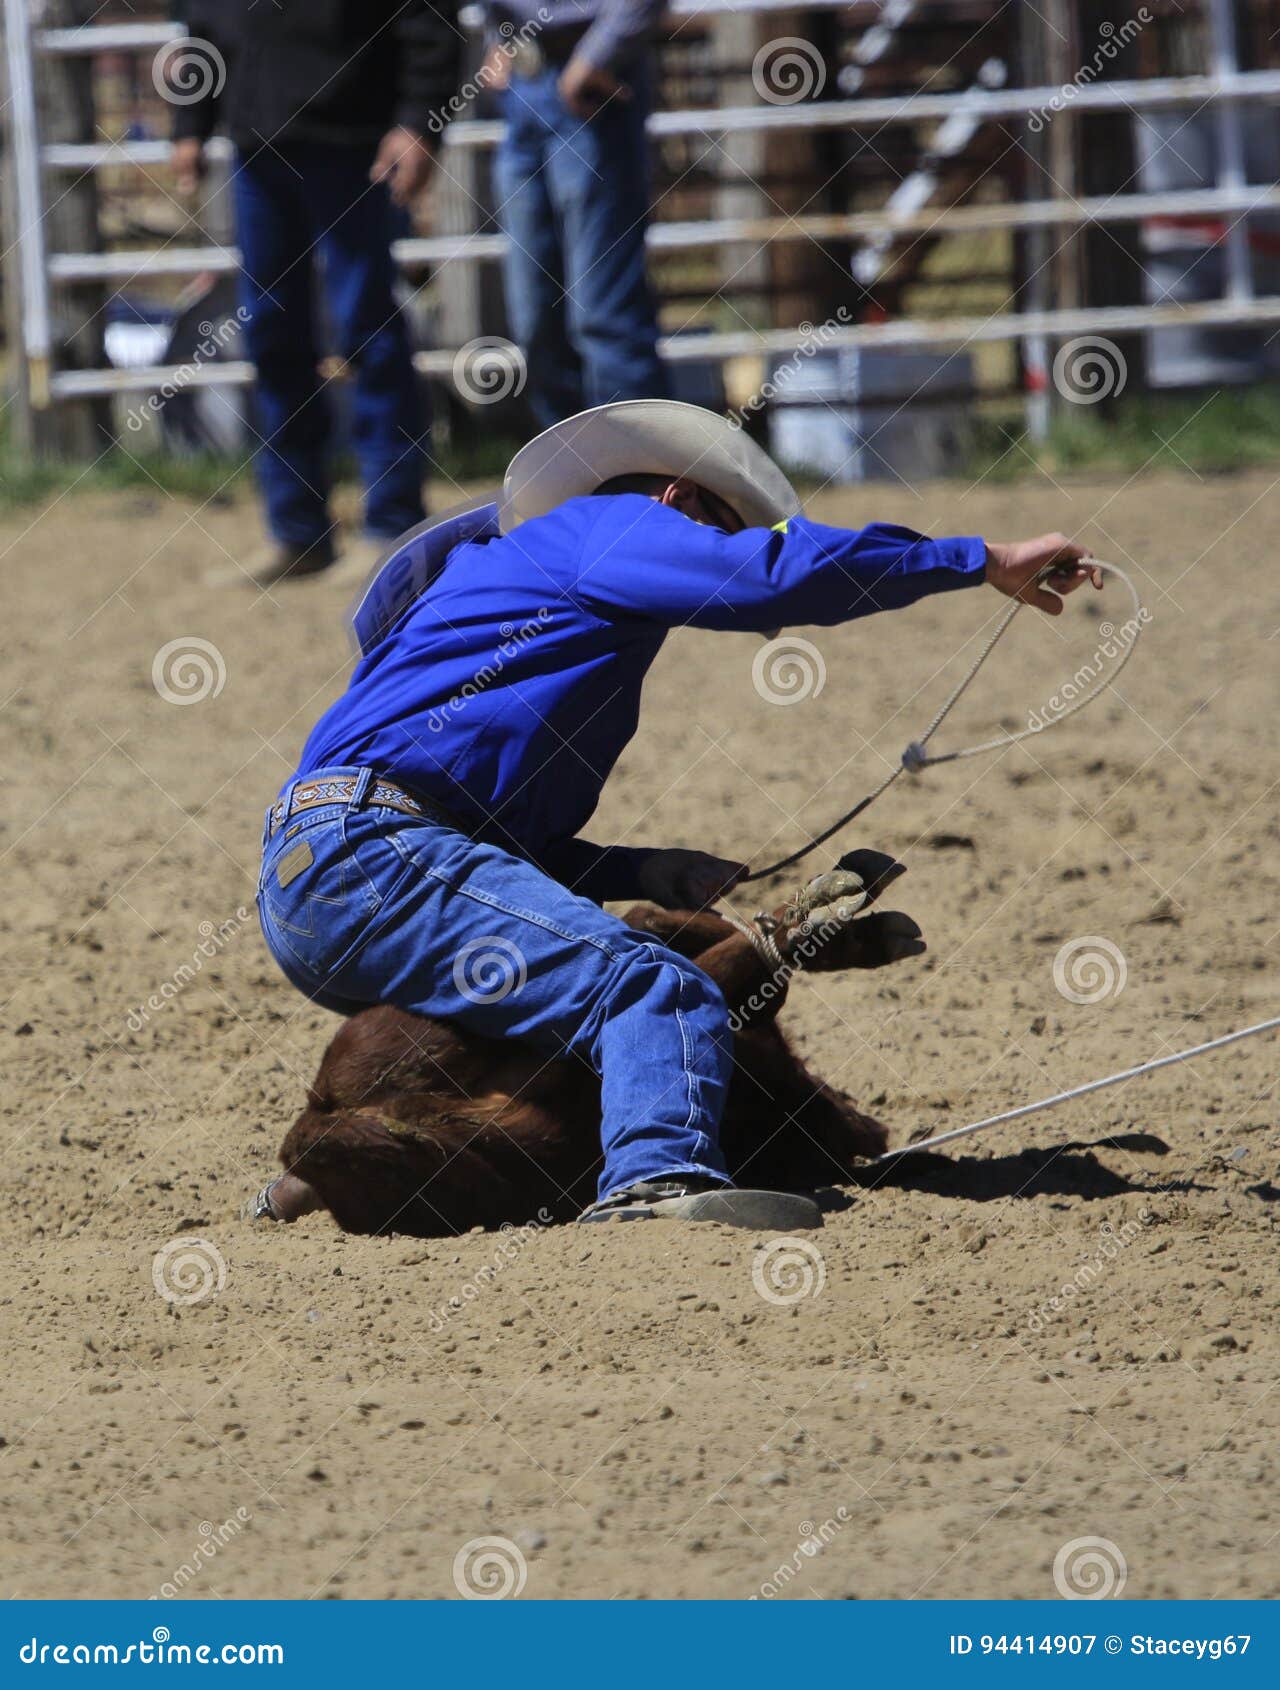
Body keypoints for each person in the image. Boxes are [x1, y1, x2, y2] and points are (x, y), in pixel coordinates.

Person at [252, 399, 1102, 1228]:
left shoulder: (518, 584)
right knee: (647, 987)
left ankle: (328, 1178)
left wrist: (642, 869)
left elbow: (499, 850)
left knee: (542, 1020)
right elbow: (777, 575)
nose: (712, 552)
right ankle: (656, 1179)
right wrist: (979, 558)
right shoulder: (609, 530)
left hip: (323, 879)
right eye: (718, 530)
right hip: (374, 854)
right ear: (678, 499)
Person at [168, 3, 461, 584]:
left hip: (353, 139)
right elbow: (200, 24)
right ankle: (297, 528)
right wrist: (189, 125)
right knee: (272, 333)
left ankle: (393, 525)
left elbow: (428, 20)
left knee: (367, 327)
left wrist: (419, 121)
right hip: (257, 141)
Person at [484, 2, 668, 427]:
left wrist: (595, 56)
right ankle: (570, 471)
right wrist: (498, 38)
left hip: (591, 84)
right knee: (533, 318)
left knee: (603, 316)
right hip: (523, 86)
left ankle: (640, 474)